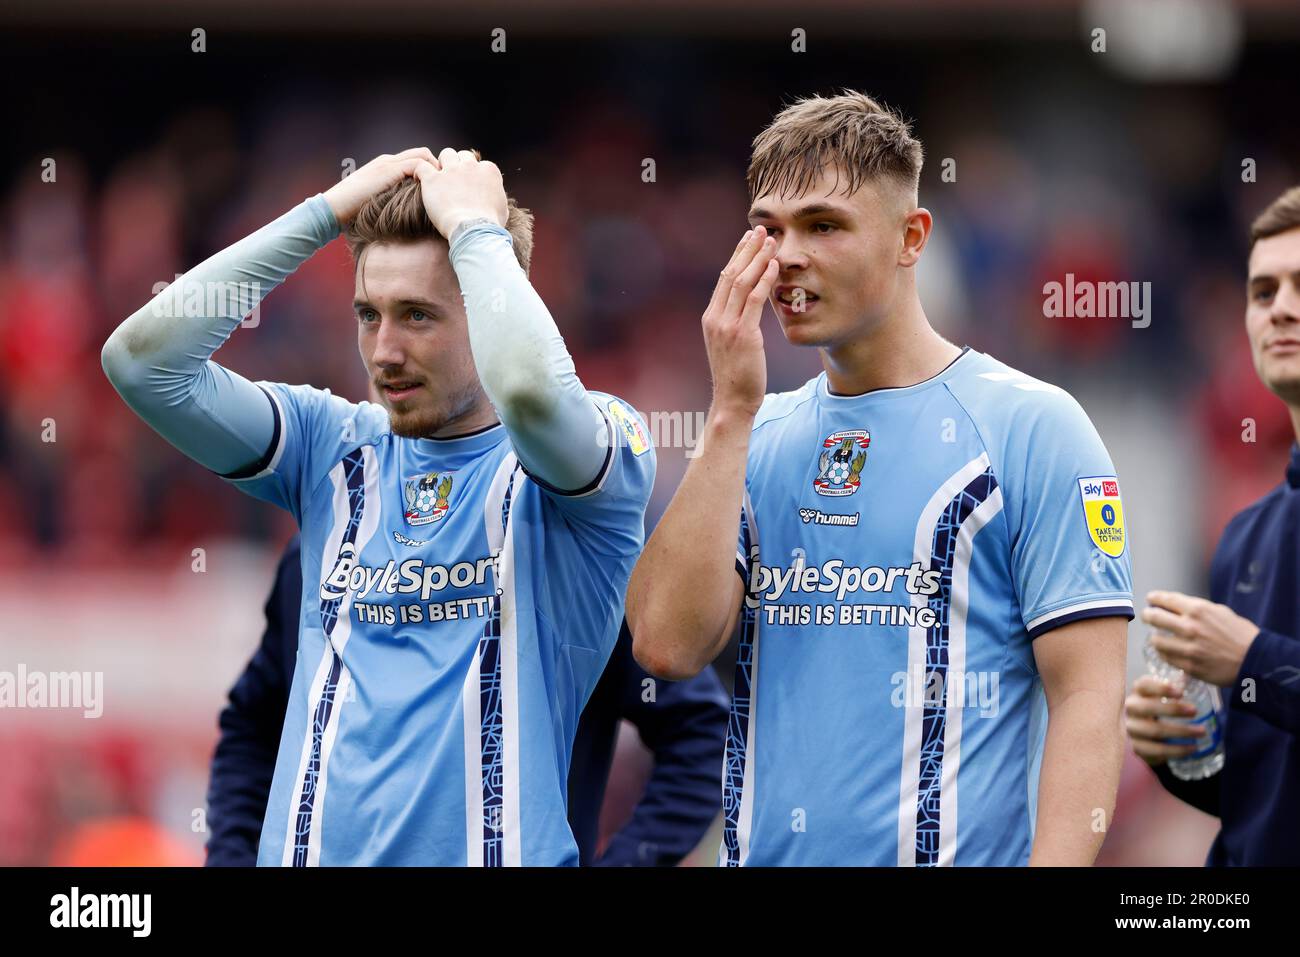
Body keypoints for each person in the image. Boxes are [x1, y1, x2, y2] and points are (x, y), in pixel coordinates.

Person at [102, 147, 655, 865]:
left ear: (491, 307)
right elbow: (143, 365)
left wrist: (478, 230)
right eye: (370, 314)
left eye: (418, 315)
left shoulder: (585, 458)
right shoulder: (331, 445)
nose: (385, 350)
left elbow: (526, 388)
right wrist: (325, 215)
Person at [626, 92, 1134, 866]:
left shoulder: (1034, 427)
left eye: (823, 225)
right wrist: (729, 412)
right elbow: (665, 645)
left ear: (911, 237)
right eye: (770, 229)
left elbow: (1089, 699)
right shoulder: (752, 435)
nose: (788, 253)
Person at [204, 535, 730, 867]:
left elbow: (702, 731)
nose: (391, 359)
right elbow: (253, 725)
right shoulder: (321, 555)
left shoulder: (572, 547)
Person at [1126, 186, 1300, 866]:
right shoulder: (1245, 536)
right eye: (1263, 291)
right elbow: (1263, 794)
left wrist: (1253, 660)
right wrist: (1178, 750)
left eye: (1299, 286)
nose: (1280, 307)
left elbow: (1257, 666)